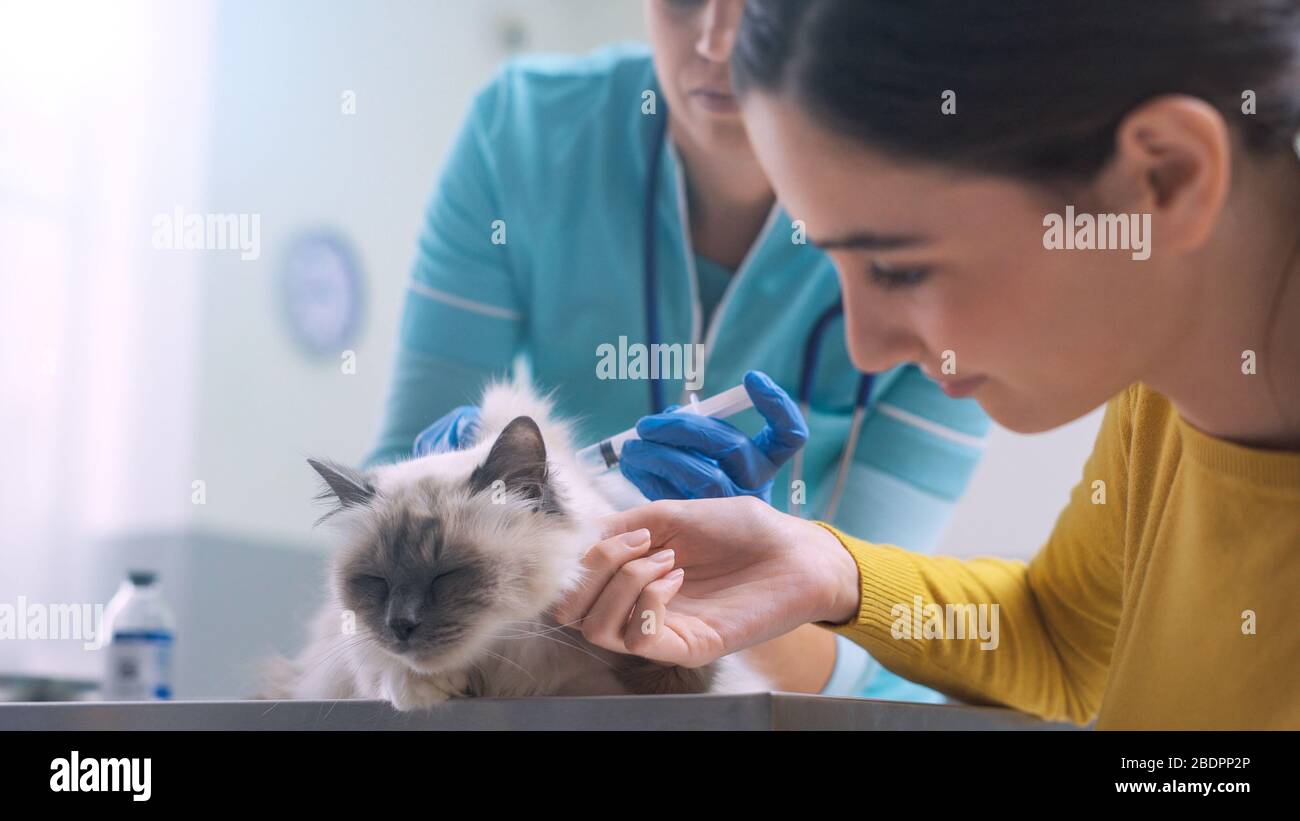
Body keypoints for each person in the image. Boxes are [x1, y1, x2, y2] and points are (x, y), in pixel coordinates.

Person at [556, 0, 1300, 728]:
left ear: (1165, 176)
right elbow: (1066, 639)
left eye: (899, 268)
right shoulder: (1168, 385)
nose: (867, 348)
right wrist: (830, 570)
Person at [366, 1, 991, 699]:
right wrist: (429, 505)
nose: (716, 40)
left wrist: (744, 587)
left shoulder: (951, 213)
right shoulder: (522, 135)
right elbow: (381, 513)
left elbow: (881, 660)